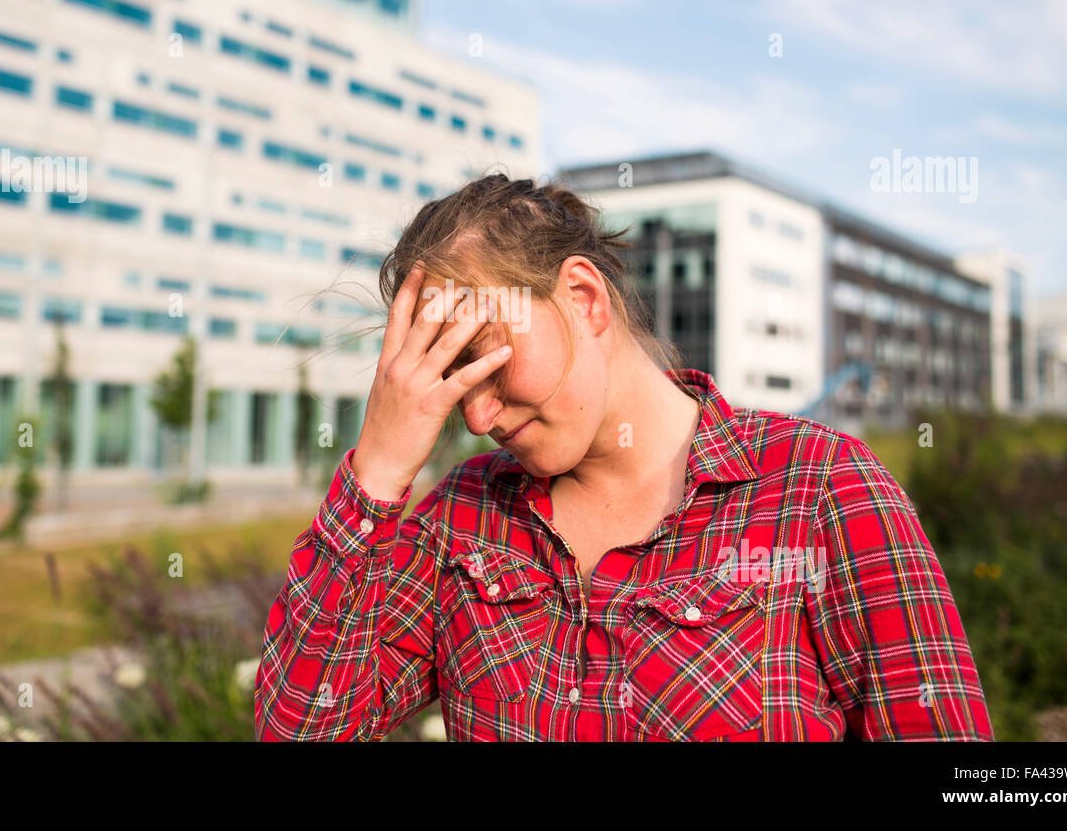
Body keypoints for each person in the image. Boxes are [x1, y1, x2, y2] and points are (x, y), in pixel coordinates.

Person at [255, 173, 993, 741]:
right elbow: (302, 727)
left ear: (582, 298)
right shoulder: (465, 520)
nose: (476, 415)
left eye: (485, 361)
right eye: (452, 383)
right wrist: (377, 474)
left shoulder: (820, 490)